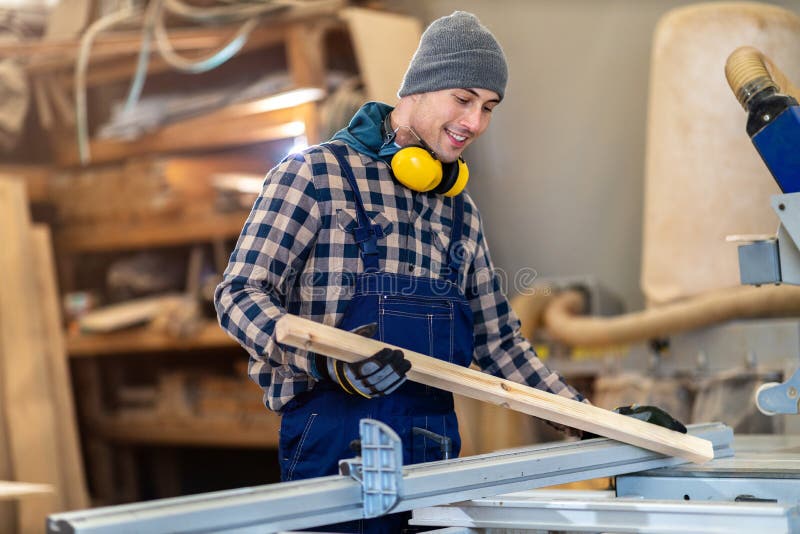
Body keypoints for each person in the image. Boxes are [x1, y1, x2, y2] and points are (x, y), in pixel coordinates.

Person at [215, 11, 683, 533]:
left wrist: (598, 425)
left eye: (489, 108)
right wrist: (327, 363)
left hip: (433, 451)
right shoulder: (316, 176)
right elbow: (238, 295)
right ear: (416, 88)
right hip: (334, 446)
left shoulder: (457, 211)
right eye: (463, 99)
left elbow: (501, 343)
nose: (475, 123)